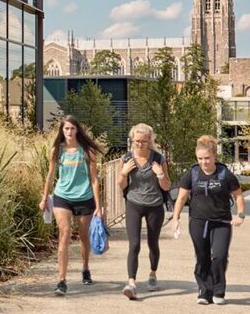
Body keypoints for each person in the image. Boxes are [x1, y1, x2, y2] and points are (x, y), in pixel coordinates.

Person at [172, 134, 245, 305]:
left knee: (219, 256)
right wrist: (176, 218)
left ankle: (219, 291)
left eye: (207, 158)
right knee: (202, 257)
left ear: (214, 157)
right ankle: (204, 291)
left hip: (221, 222)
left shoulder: (224, 174)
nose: (204, 162)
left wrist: (240, 215)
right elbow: (181, 199)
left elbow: (239, 196)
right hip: (198, 222)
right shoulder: (192, 174)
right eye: (200, 159)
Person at [40, 114, 103, 296]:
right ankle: (62, 280)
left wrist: (98, 207)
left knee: (83, 236)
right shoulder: (56, 151)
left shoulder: (87, 151)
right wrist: (45, 198)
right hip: (62, 197)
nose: (69, 132)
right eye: (66, 128)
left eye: (72, 128)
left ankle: (85, 267)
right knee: (64, 233)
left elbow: (94, 180)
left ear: (77, 130)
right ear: (62, 130)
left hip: (84, 197)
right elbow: (51, 175)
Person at [117, 123, 171, 300]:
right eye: (137, 141)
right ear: (132, 141)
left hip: (154, 205)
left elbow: (167, 186)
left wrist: (160, 174)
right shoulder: (126, 158)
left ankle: (153, 274)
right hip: (134, 203)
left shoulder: (158, 159)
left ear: (150, 141)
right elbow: (121, 184)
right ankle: (131, 282)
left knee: (153, 243)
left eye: (144, 142)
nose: (140, 145)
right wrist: (124, 173)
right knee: (134, 244)